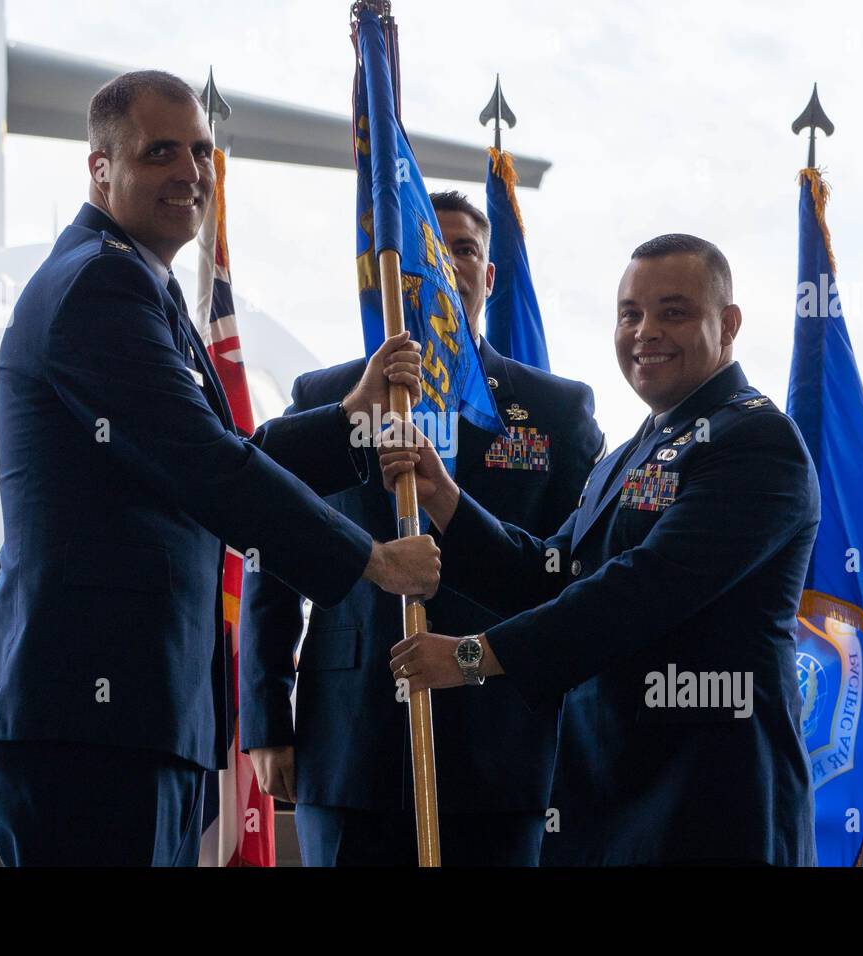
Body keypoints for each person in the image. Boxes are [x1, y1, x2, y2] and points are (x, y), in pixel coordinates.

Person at [0, 70, 440, 867]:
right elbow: (202, 465)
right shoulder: (100, 283)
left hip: (135, 718)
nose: (191, 171)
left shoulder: (139, 284)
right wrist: (368, 559)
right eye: (160, 153)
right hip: (90, 722)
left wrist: (348, 421)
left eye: (201, 151)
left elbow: (210, 452)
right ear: (101, 169)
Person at [381, 234, 820, 865]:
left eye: (673, 311)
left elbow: (644, 590)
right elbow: (556, 573)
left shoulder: (758, 441)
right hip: (608, 799)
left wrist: (476, 656)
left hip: (711, 803)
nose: (646, 331)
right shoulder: (624, 455)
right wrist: (447, 501)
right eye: (630, 313)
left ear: (728, 325)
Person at [241, 191, 604, 866]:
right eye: (422, 251)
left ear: (488, 277)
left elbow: (574, 574)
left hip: (503, 747)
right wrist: (266, 716)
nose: (442, 264)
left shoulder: (555, 409)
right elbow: (272, 552)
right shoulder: (326, 399)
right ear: (387, 272)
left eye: (462, 248)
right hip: (349, 742)